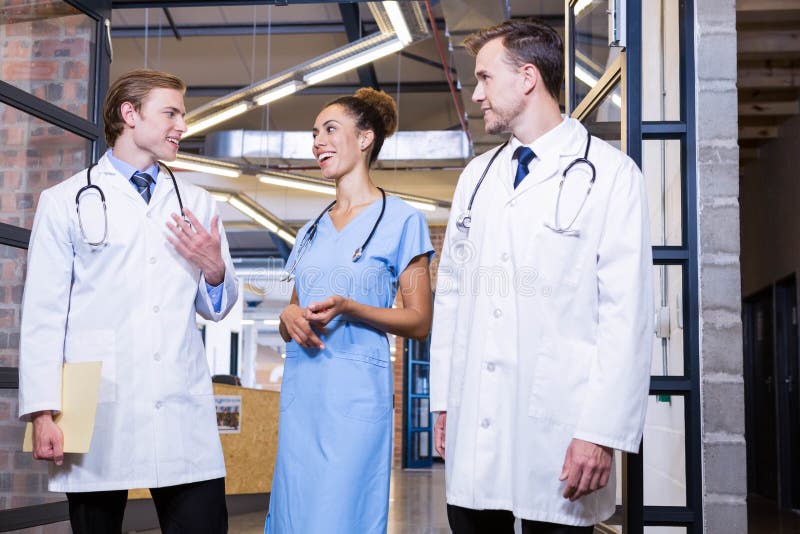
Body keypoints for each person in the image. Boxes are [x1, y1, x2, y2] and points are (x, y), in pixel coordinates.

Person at [430, 18, 653, 533]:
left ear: (527, 77)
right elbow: (453, 298)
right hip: (476, 424)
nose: (477, 94)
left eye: (485, 78)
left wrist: (601, 432)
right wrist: (444, 402)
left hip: (560, 427)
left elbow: (626, 316)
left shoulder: (610, 174)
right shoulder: (477, 178)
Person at [18, 69, 238, 533]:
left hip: (179, 400)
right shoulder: (65, 201)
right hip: (97, 402)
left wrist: (215, 269)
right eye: (171, 113)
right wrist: (42, 412)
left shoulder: (196, 202)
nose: (182, 125)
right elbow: (43, 316)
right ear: (130, 114)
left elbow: (216, 306)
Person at [265, 88, 434, 534]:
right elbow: (294, 312)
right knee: (295, 516)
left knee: (341, 515)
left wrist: (353, 308)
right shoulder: (309, 230)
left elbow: (419, 321)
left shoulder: (402, 221)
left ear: (365, 138)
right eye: (314, 134)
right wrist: (286, 318)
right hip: (303, 398)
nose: (317, 142)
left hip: (357, 398)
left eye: (329, 129)